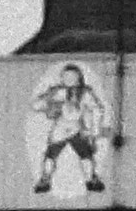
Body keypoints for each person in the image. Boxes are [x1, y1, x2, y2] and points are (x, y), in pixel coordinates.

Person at [32, 62, 109, 194]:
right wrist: (49, 103)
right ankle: (45, 179)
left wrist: (93, 131)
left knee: (86, 155)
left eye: (72, 77)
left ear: (79, 78)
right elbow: (37, 105)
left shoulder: (85, 93)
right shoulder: (56, 92)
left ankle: (90, 179)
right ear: (62, 78)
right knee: (51, 155)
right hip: (61, 128)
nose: (69, 80)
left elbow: (96, 109)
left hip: (77, 128)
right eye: (66, 77)